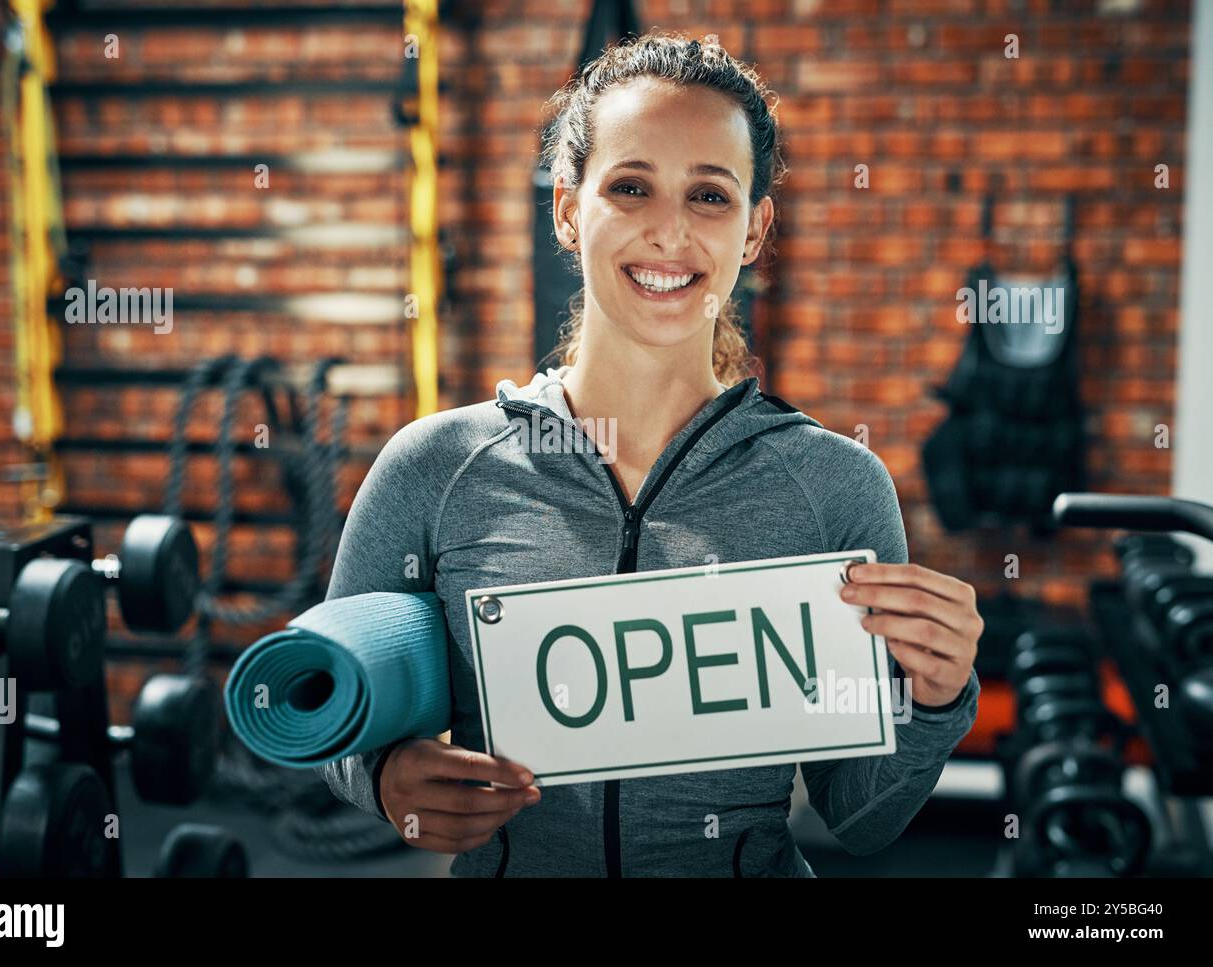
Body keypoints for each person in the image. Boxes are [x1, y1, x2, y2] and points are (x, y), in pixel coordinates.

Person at [319, 32, 981, 877]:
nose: (670, 232)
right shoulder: (435, 466)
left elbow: (861, 817)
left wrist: (937, 696)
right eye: (631, 187)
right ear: (567, 208)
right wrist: (382, 777)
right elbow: (324, 703)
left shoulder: (834, 487)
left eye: (710, 195)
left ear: (754, 229)